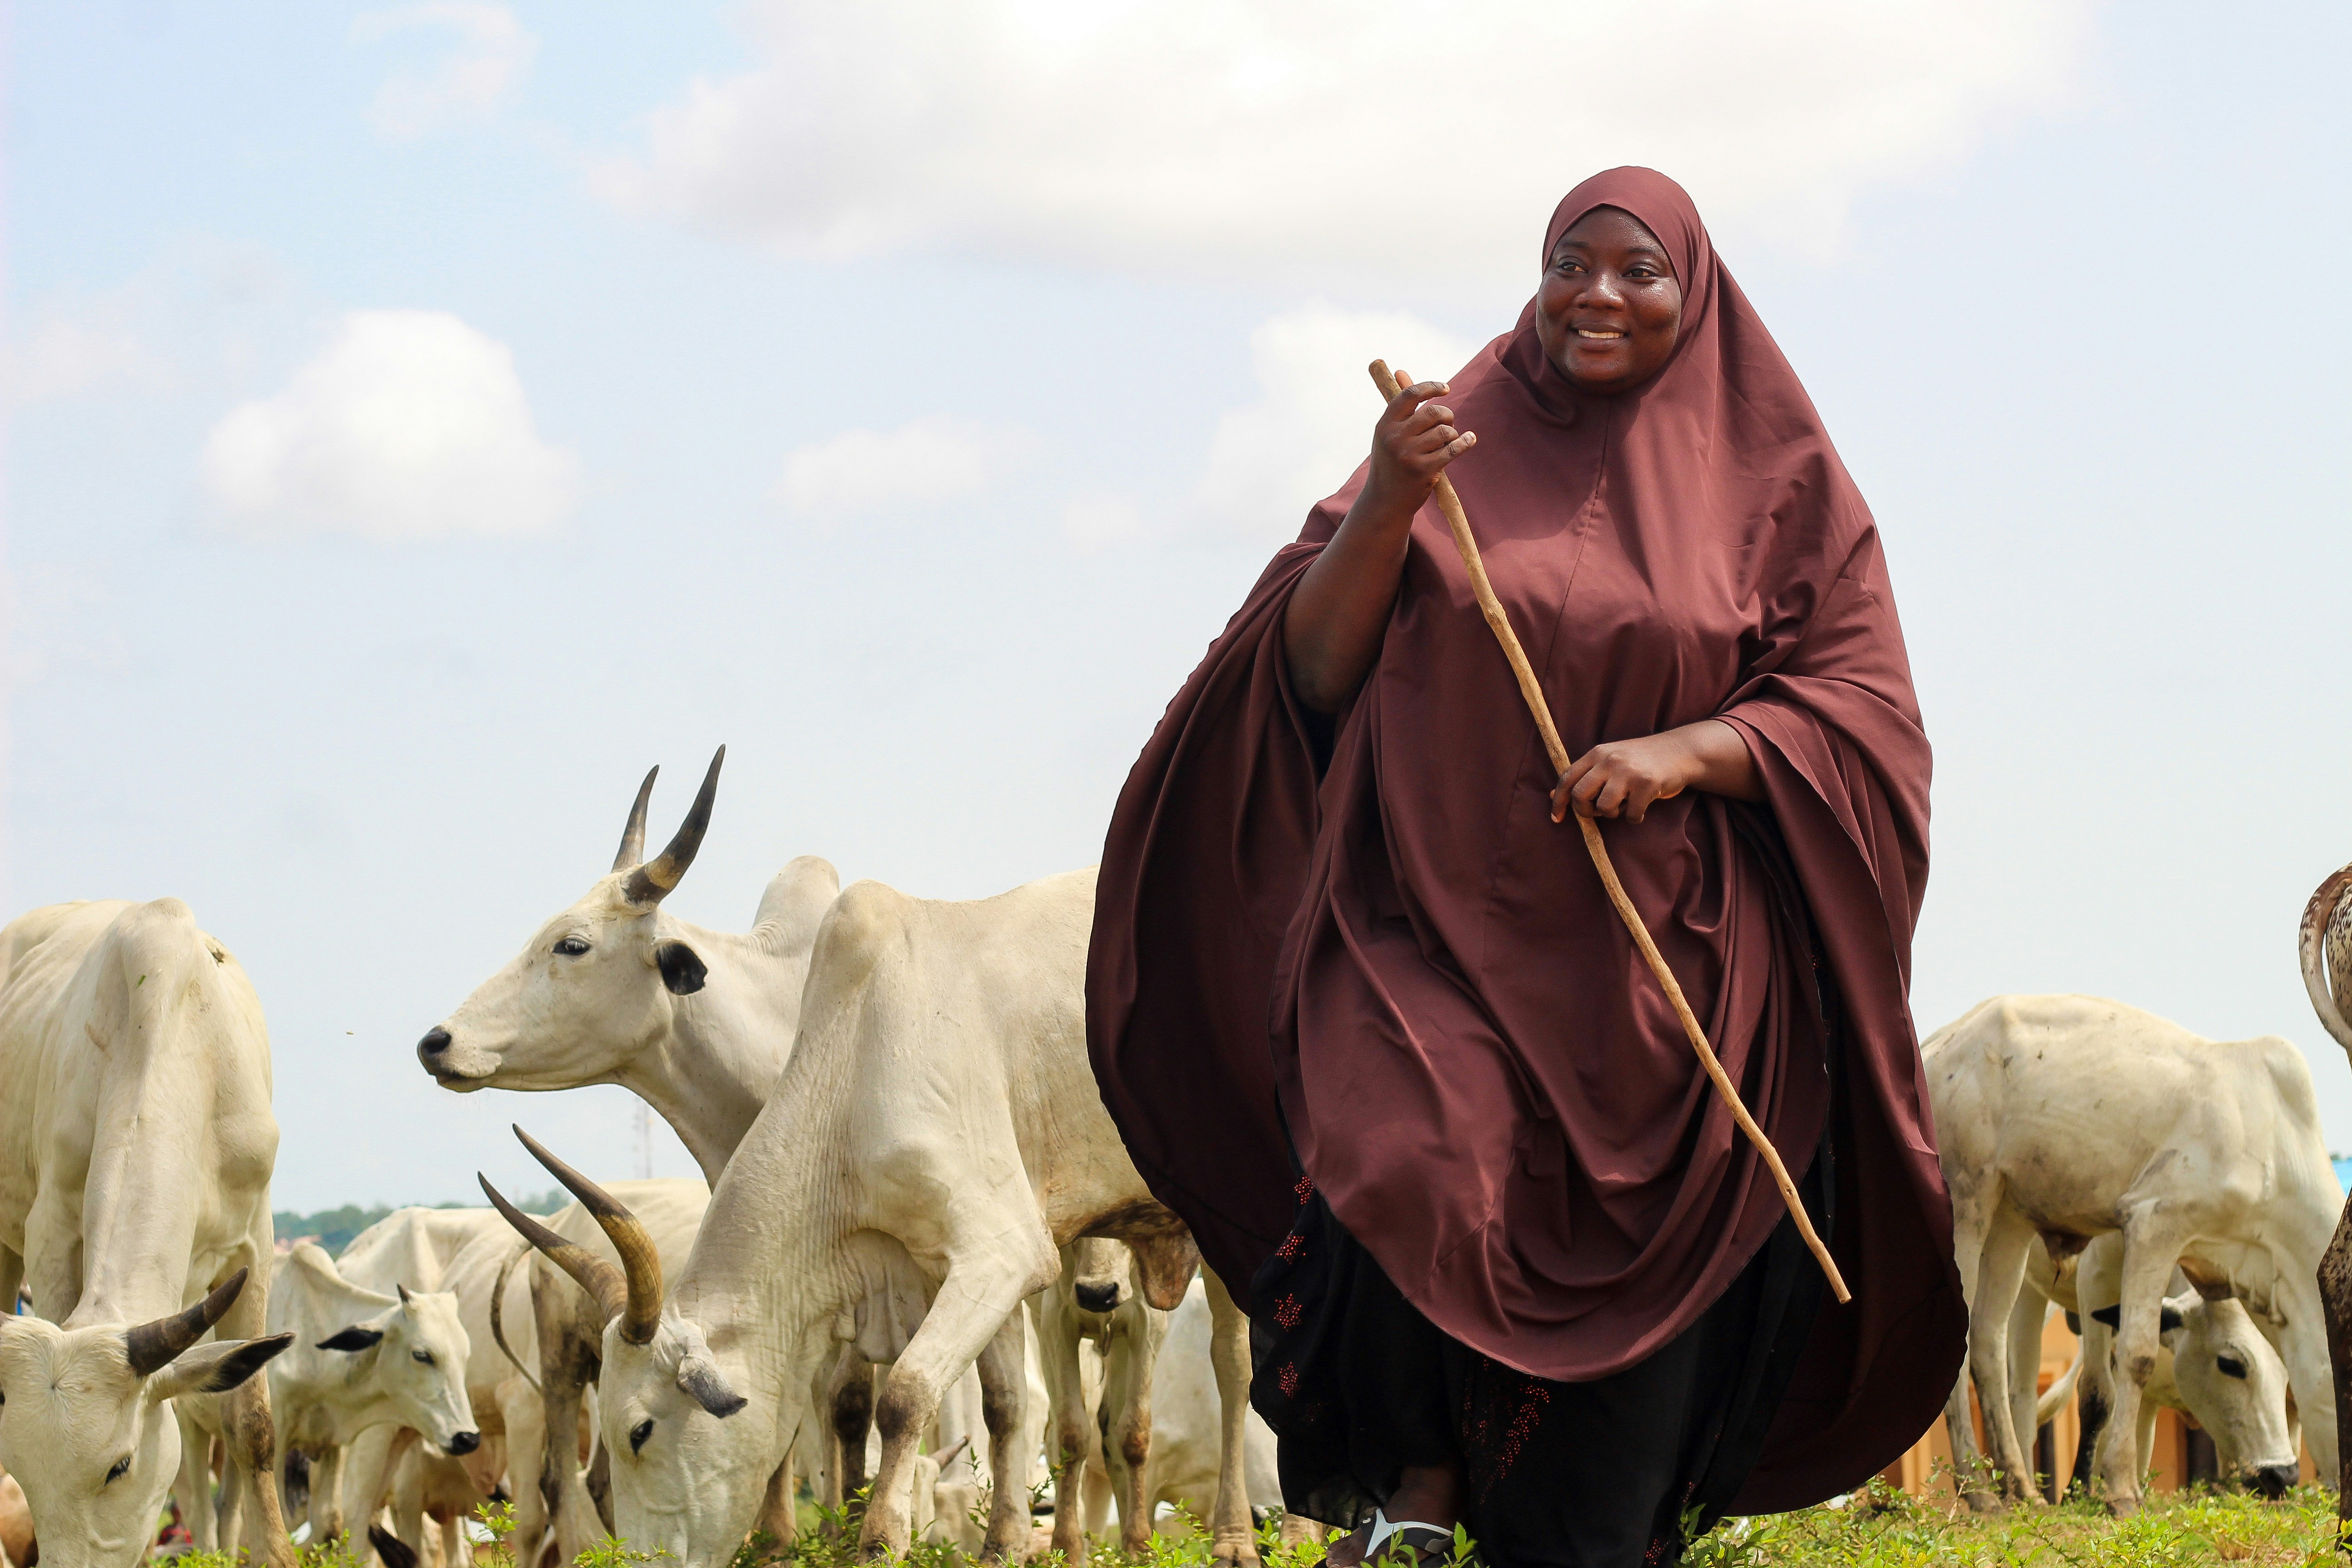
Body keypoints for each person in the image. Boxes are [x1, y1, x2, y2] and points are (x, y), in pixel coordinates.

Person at [1085, 167, 1965, 1568]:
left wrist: (1692, 750)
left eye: (1638, 270)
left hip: (1668, 991)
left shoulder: (1784, 481)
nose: (1596, 296)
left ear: (1699, 291)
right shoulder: (1454, 432)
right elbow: (1308, 672)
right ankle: (1414, 1489)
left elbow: (1864, 715)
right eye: (1571, 262)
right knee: (1401, 1149)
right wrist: (1391, 497)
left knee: (1610, 1452)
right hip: (1425, 928)